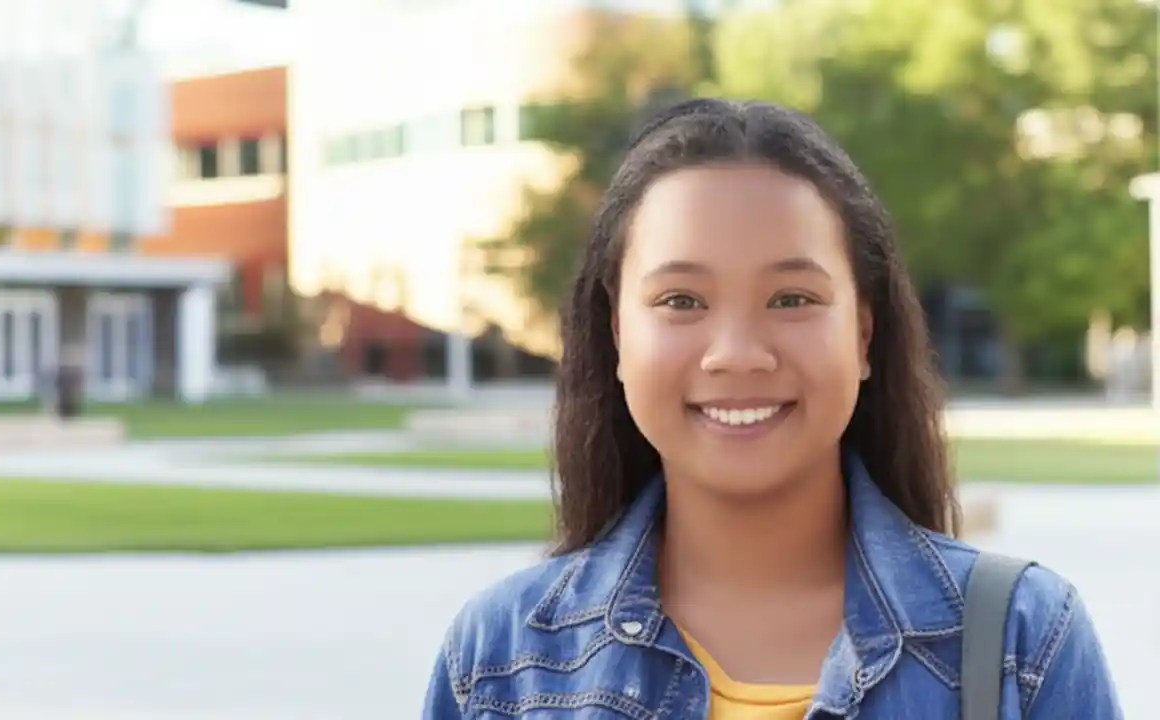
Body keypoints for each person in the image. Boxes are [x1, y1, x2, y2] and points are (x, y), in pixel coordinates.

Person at [421, 99, 1121, 719]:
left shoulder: (1020, 642)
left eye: (792, 300)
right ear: (615, 337)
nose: (736, 354)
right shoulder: (500, 660)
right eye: (680, 301)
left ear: (865, 333)